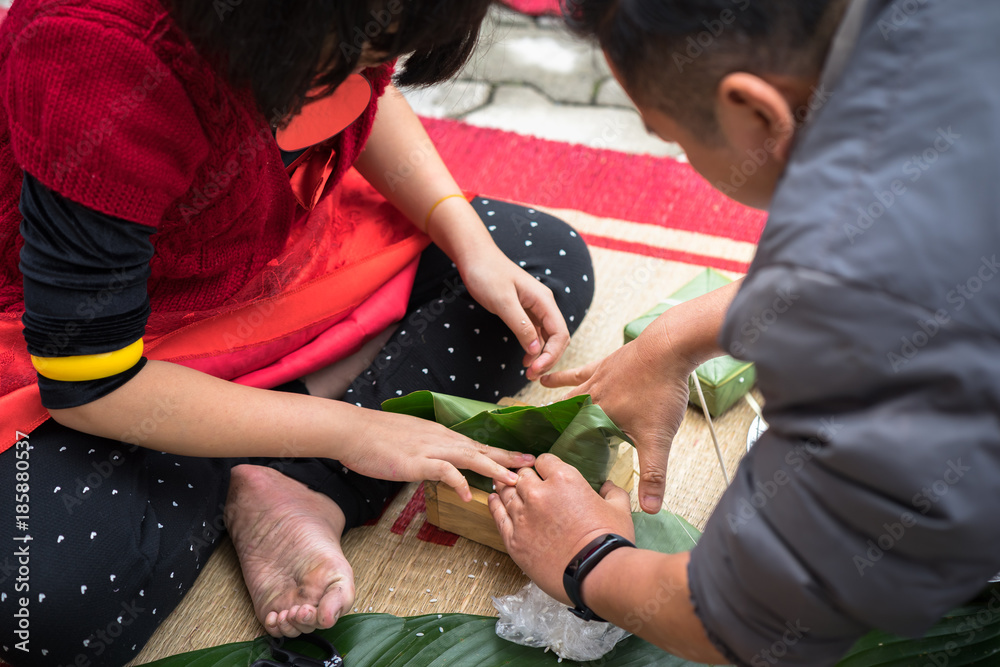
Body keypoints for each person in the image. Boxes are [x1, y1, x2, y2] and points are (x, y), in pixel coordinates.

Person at [0, 0, 595, 664]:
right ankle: (250, 445)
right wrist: (355, 431)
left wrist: (464, 236)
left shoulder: (335, 30)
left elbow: (362, 98)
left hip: (276, 263)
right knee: (37, 605)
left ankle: (296, 481)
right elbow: (88, 379)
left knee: (539, 259)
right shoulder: (98, 54)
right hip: (98, 335)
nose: (371, 72)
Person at [489, 0, 1000, 665]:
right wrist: (678, 336)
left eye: (668, 135)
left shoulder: (861, 294)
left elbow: (759, 617)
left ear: (754, 113)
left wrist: (588, 556)